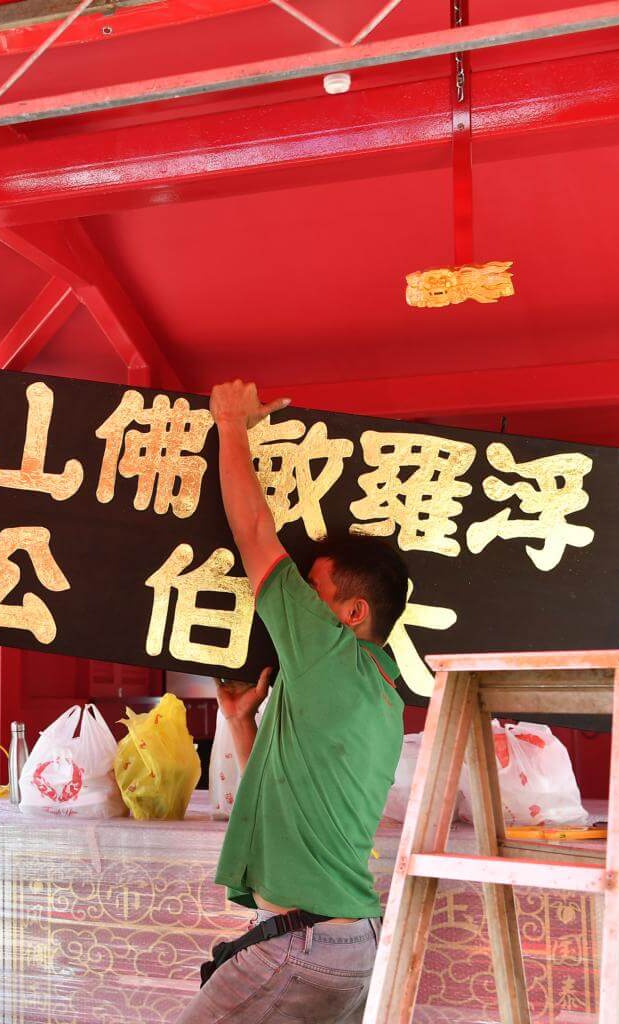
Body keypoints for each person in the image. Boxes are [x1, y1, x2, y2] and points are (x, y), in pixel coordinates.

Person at [175, 380, 409, 1024]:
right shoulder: (381, 693)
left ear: (352, 613)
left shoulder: (330, 652)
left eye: (314, 591)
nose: (299, 604)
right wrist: (240, 723)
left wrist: (229, 422)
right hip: (346, 939)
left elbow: (254, 530)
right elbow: (283, 799)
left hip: (302, 943)